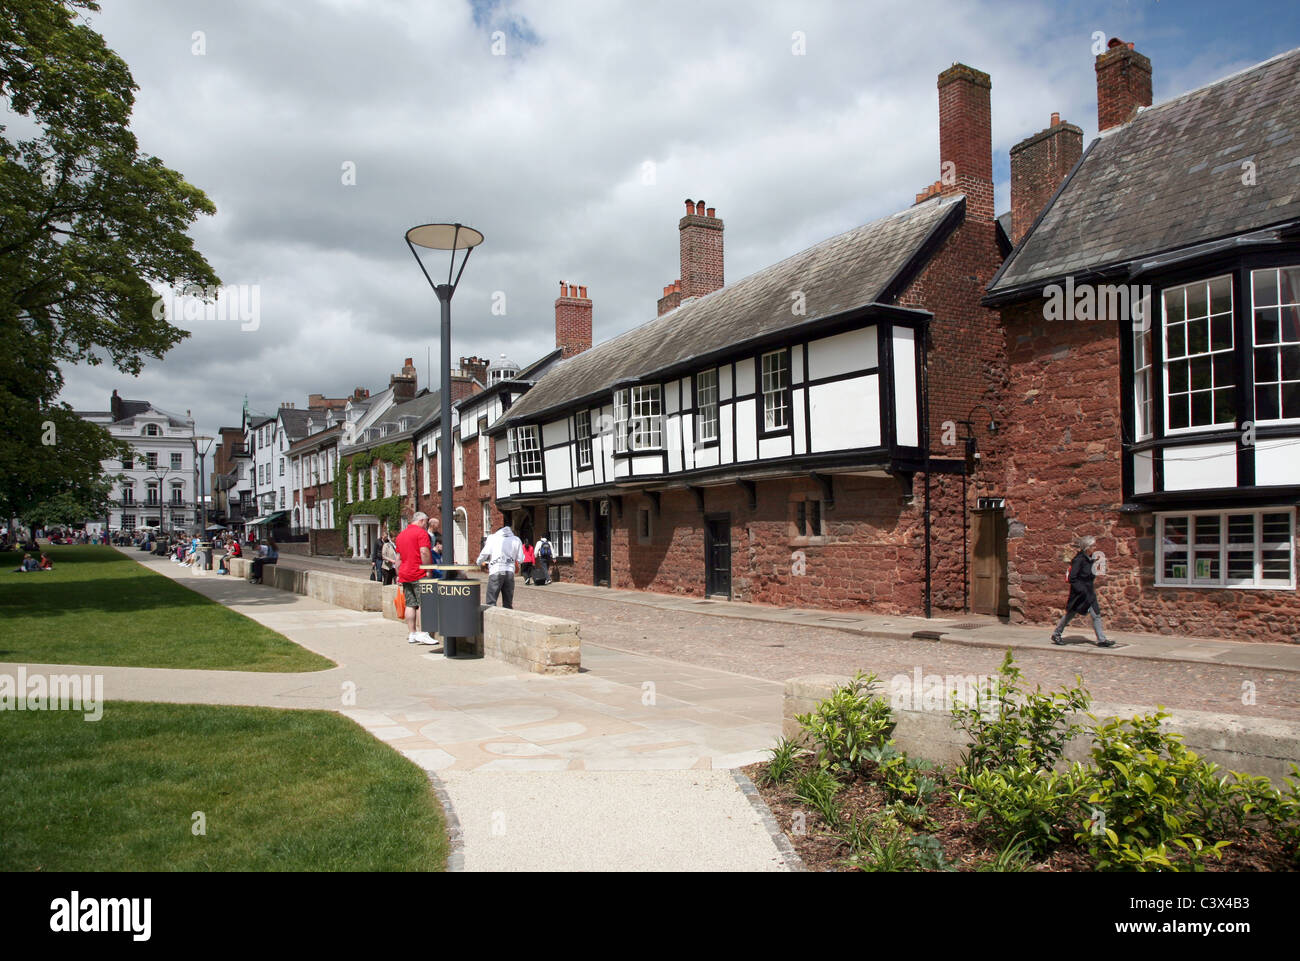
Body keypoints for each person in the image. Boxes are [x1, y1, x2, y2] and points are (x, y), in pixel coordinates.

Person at [1051, 535, 1114, 648]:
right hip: (1079, 594)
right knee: (1070, 614)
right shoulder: (1079, 560)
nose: (1095, 547)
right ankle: (1056, 634)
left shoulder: (1090, 559)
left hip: (1089, 592)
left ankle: (1101, 639)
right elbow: (1072, 578)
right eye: (1093, 545)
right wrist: (1081, 590)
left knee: (1096, 615)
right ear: (1087, 547)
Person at [395, 512, 439, 647]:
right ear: (420, 521)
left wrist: (398, 574)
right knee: (422, 604)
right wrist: (428, 569)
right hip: (418, 573)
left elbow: (398, 558)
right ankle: (423, 633)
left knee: (410, 604)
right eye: (426, 522)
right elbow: (424, 552)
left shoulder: (401, 535)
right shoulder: (421, 533)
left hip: (405, 573)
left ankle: (412, 633)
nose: (426, 525)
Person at [478, 524, 524, 609]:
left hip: (496, 570)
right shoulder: (516, 539)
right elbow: (521, 559)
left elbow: (484, 553)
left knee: (491, 602)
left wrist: (478, 562)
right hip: (510, 572)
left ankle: (491, 620)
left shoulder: (492, 538)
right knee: (508, 603)